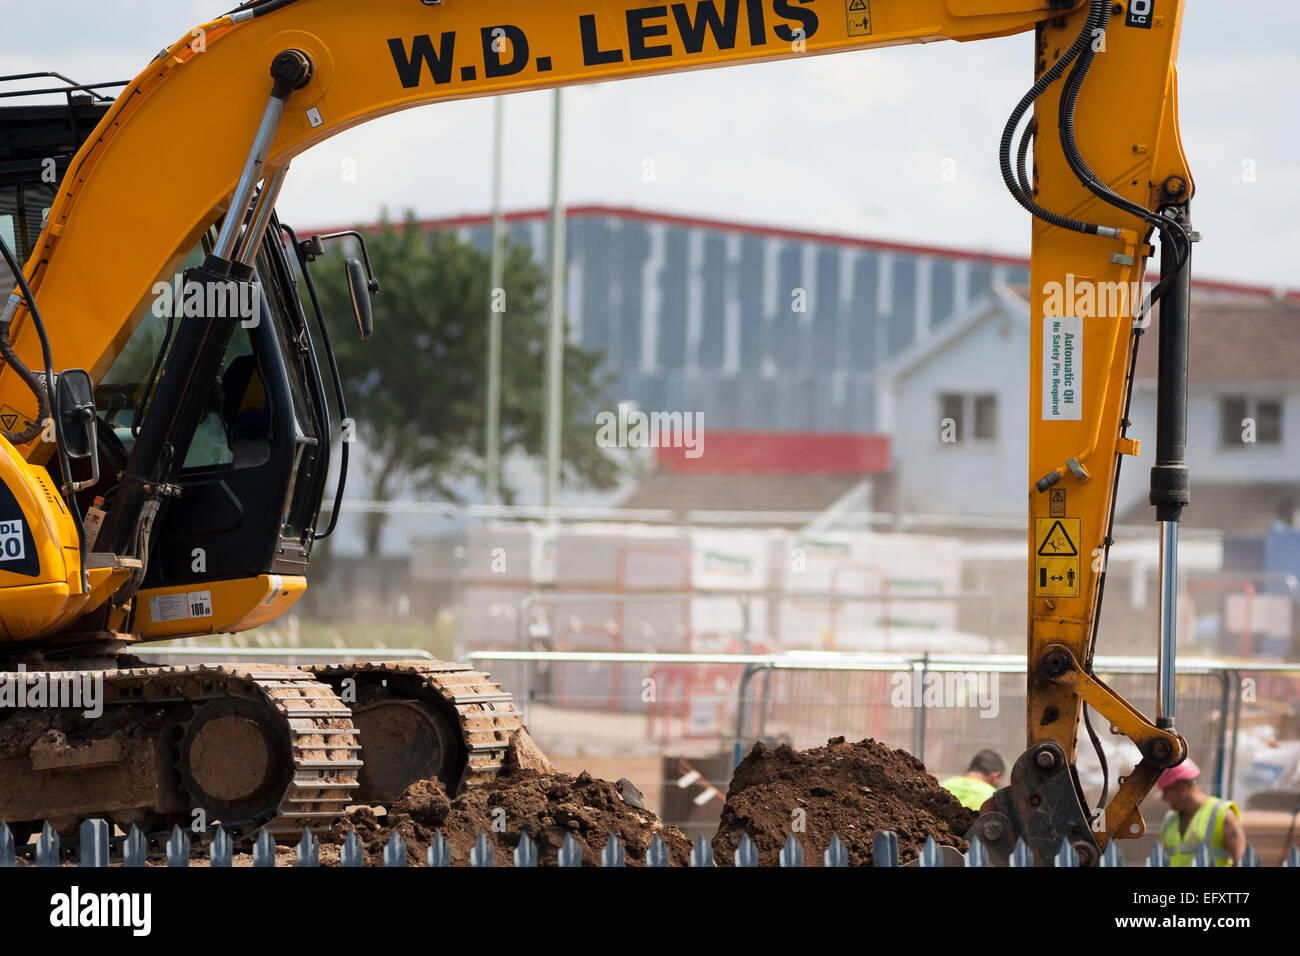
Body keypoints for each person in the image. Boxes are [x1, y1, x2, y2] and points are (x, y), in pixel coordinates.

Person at [1157, 758, 1246, 866]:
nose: (1163, 797)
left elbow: (1240, 860)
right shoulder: (1169, 821)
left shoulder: (1222, 814)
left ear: (1181, 788)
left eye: (1166, 791)